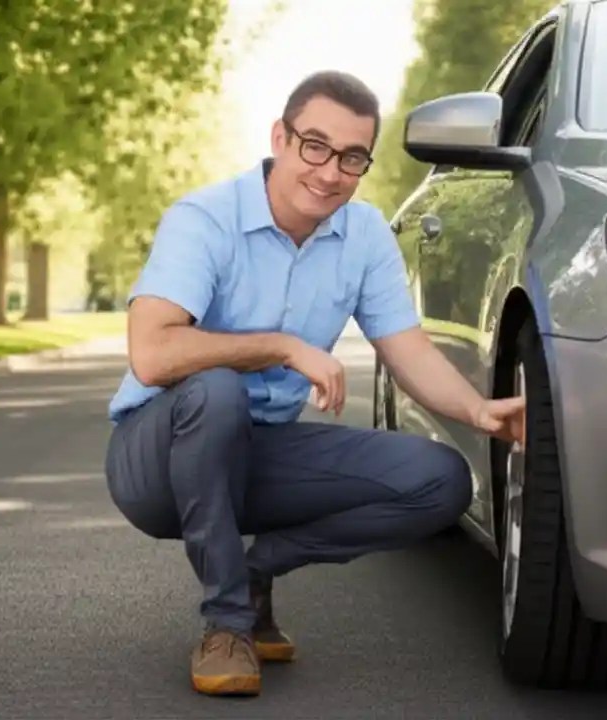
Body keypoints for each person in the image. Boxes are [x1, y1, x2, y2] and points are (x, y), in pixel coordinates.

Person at [104, 70, 525, 697]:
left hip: (257, 450)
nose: (330, 173)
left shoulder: (364, 235)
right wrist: (280, 346)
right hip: (155, 461)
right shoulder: (205, 220)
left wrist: (480, 410)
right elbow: (153, 353)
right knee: (215, 391)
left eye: (352, 157)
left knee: (440, 481)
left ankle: (254, 571)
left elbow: (406, 350)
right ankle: (226, 624)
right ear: (281, 137)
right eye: (315, 147)